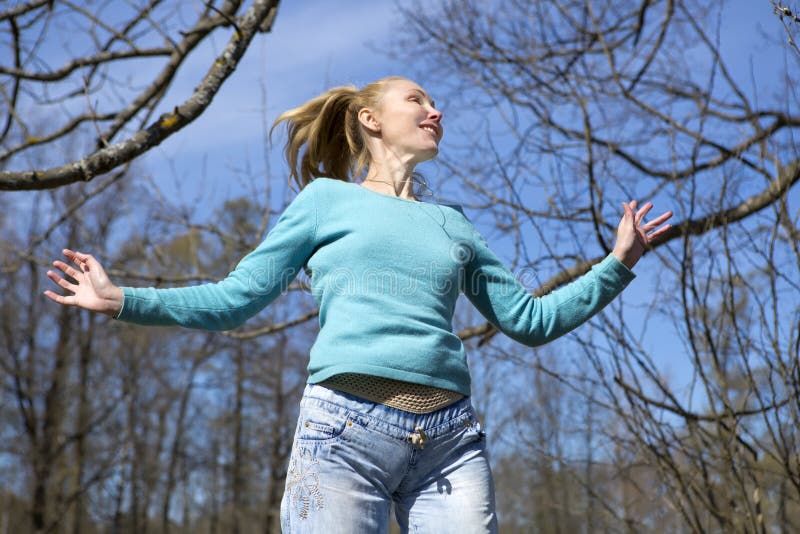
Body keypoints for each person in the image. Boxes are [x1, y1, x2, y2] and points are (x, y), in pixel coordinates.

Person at [44, 76, 672, 533]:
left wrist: (617, 265)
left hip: (451, 442)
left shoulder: (453, 224)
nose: (435, 109)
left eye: (434, 103)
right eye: (417, 100)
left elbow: (530, 322)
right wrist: (122, 297)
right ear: (371, 119)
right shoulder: (324, 202)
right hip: (344, 434)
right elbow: (236, 299)